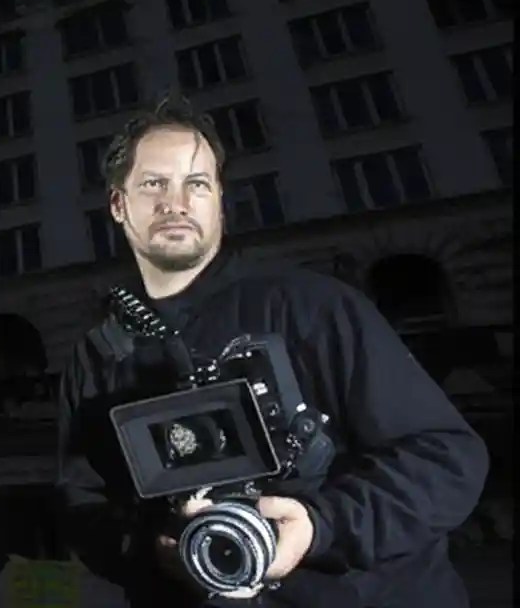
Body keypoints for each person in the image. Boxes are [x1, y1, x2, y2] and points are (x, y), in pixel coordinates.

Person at [55, 93, 489, 608]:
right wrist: (151, 548)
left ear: (218, 200)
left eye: (197, 184)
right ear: (118, 204)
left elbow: (447, 457)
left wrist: (320, 525)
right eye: (154, 184)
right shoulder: (95, 356)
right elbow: (81, 505)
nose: (176, 202)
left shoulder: (310, 306)